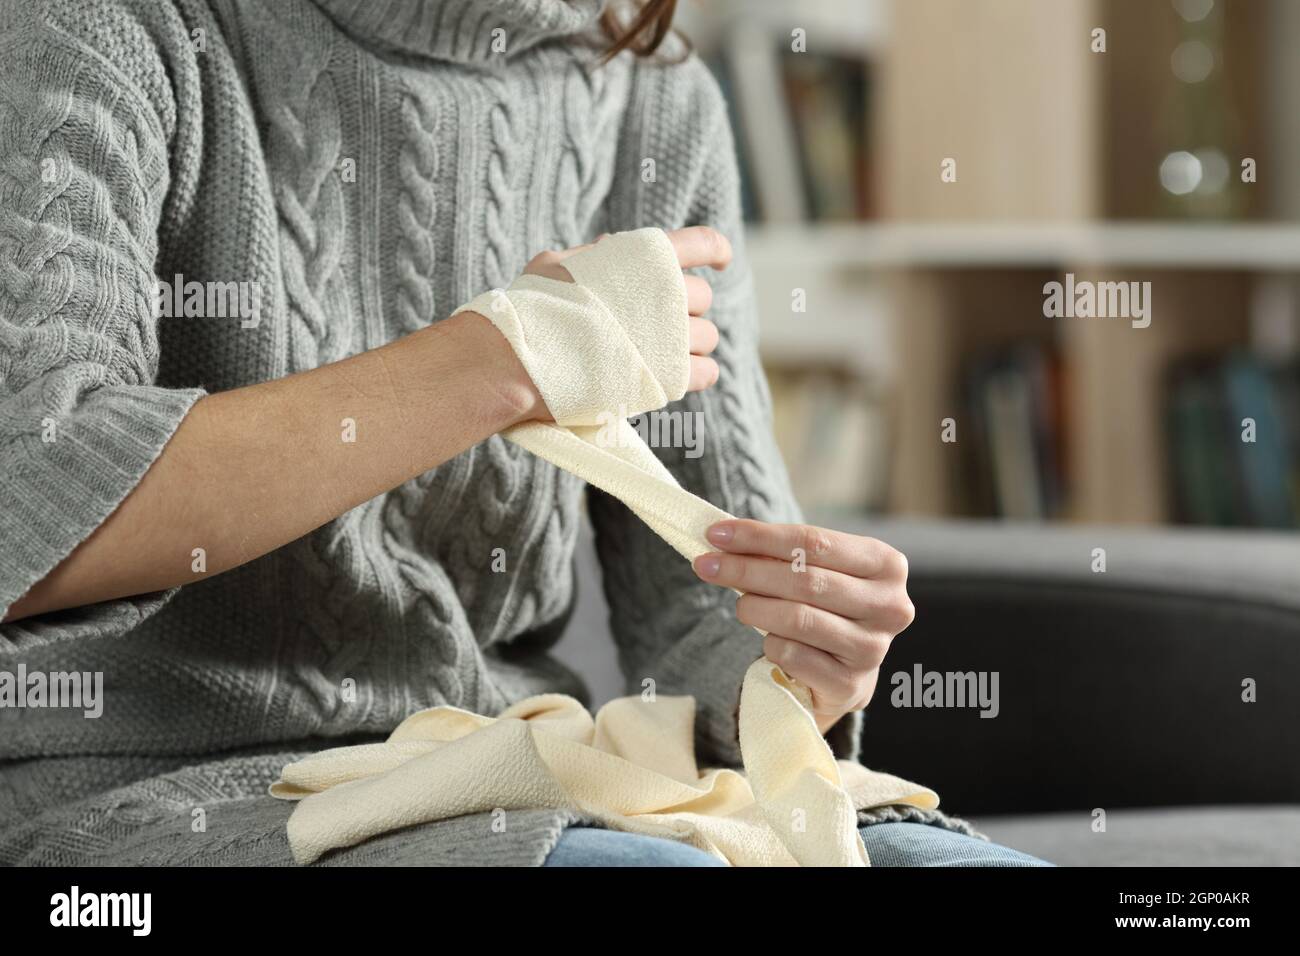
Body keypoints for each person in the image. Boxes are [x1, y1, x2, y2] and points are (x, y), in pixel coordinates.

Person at [0, 0, 1046, 866]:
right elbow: (33, 496)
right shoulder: (102, 29)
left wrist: (795, 662)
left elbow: (695, 597)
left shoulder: (655, 94)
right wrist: (499, 361)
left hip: (529, 764)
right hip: (147, 796)